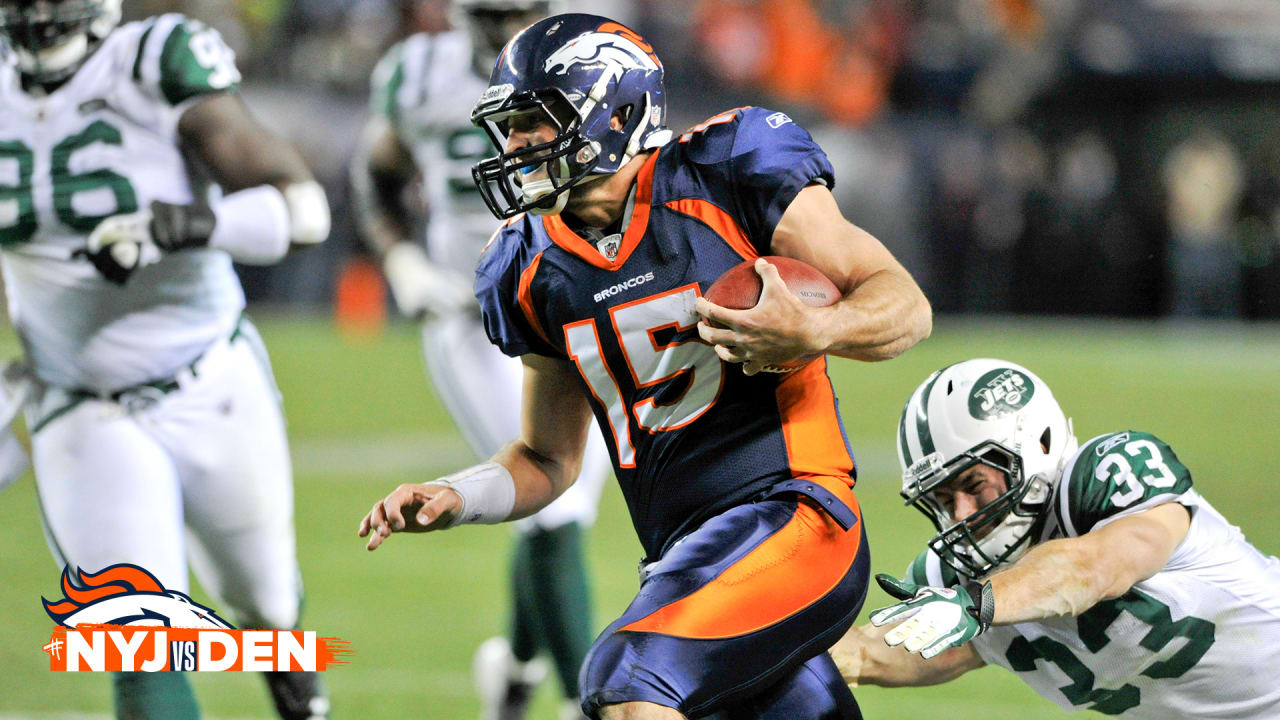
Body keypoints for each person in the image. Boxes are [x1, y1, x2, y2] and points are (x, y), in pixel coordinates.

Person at [358, 13, 931, 720]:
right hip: (689, 560)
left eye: (534, 121)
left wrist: (818, 328)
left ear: (618, 113)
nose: (515, 146)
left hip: (798, 519)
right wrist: (458, 497)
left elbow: (903, 303)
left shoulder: (727, 171)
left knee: (627, 681)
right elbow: (548, 458)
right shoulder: (526, 265)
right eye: (509, 126)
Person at [0, 1, 331, 718]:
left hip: (209, 379)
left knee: (267, 607)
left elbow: (302, 210)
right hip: (79, 403)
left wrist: (181, 226)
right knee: (134, 637)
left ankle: (295, 684)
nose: (33, 15)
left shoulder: (152, 61)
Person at [350, 2, 611, 718]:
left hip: (572, 304)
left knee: (557, 512)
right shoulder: (415, 74)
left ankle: (518, 670)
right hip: (475, 315)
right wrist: (402, 260)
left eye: (519, 10)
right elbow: (375, 176)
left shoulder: (590, 62)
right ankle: (583, 701)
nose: (504, 25)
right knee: (555, 510)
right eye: (491, 12)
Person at [830, 358, 1280, 718]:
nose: (961, 515)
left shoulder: (1103, 478)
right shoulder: (961, 576)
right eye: (943, 500)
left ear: (1036, 447)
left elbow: (1096, 567)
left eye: (974, 485)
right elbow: (873, 653)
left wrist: (978, 602)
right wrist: (775, 657)